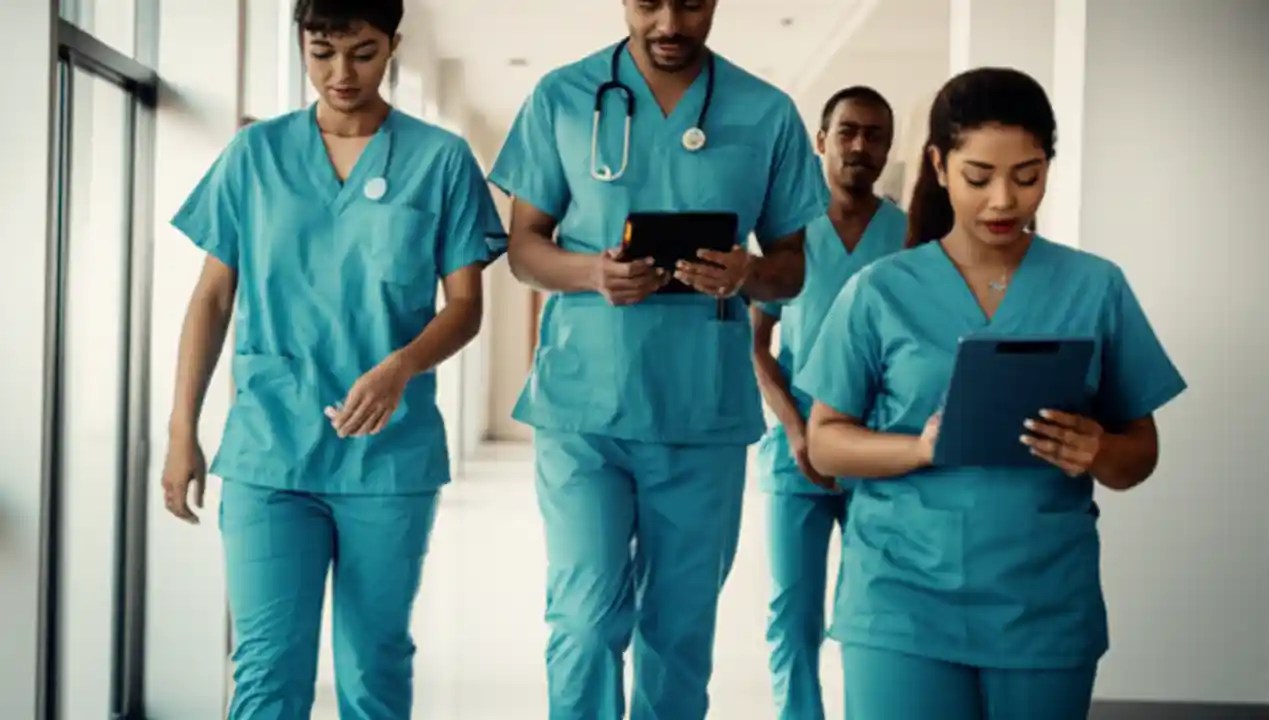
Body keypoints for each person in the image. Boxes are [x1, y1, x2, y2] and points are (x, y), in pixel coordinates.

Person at [795, 67, 1187, 720]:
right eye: (979, 177)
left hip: (1043, 606)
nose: (1003, 200)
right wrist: (920, 449)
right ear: (939, 166)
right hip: (900, 604)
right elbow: (826, 443)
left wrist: (1095, 450)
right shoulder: (879, 290)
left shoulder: (1095, 287)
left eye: (1027, 175)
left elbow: (1139, 455)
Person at [159, 1, 505, 717]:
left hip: (388, 455)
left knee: (374, 663)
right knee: (266, 667)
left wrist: (400, 367)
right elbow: (212, 299)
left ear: (393, 47)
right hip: (268, 450)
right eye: (321, 52)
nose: (341, 73)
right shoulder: (254, 156)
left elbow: (466, 308)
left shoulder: (439, 160)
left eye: (363, 52)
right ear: (300, 46)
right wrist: (181, 429)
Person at [487, 0, 827, 717]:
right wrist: (591, 274)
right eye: (649, 3)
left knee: (679, 631)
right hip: (585, 404)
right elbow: (524, 248)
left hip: (701, 409)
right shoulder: (563, 96)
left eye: (692, 3)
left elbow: (793, 266)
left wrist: (746, 274)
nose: (670, 22)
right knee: (583, 619)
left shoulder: (766, 113)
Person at [751, 85, 905, 720]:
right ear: (821, 141)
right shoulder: (792, 237)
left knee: (876, 615)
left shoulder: (910, 235)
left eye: (874, 135)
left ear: (888, 147)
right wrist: (794, 432)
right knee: (794, 613)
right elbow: (756, 346)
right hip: (798, 454)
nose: (859, 146)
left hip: (880, 450)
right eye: (847, 132)